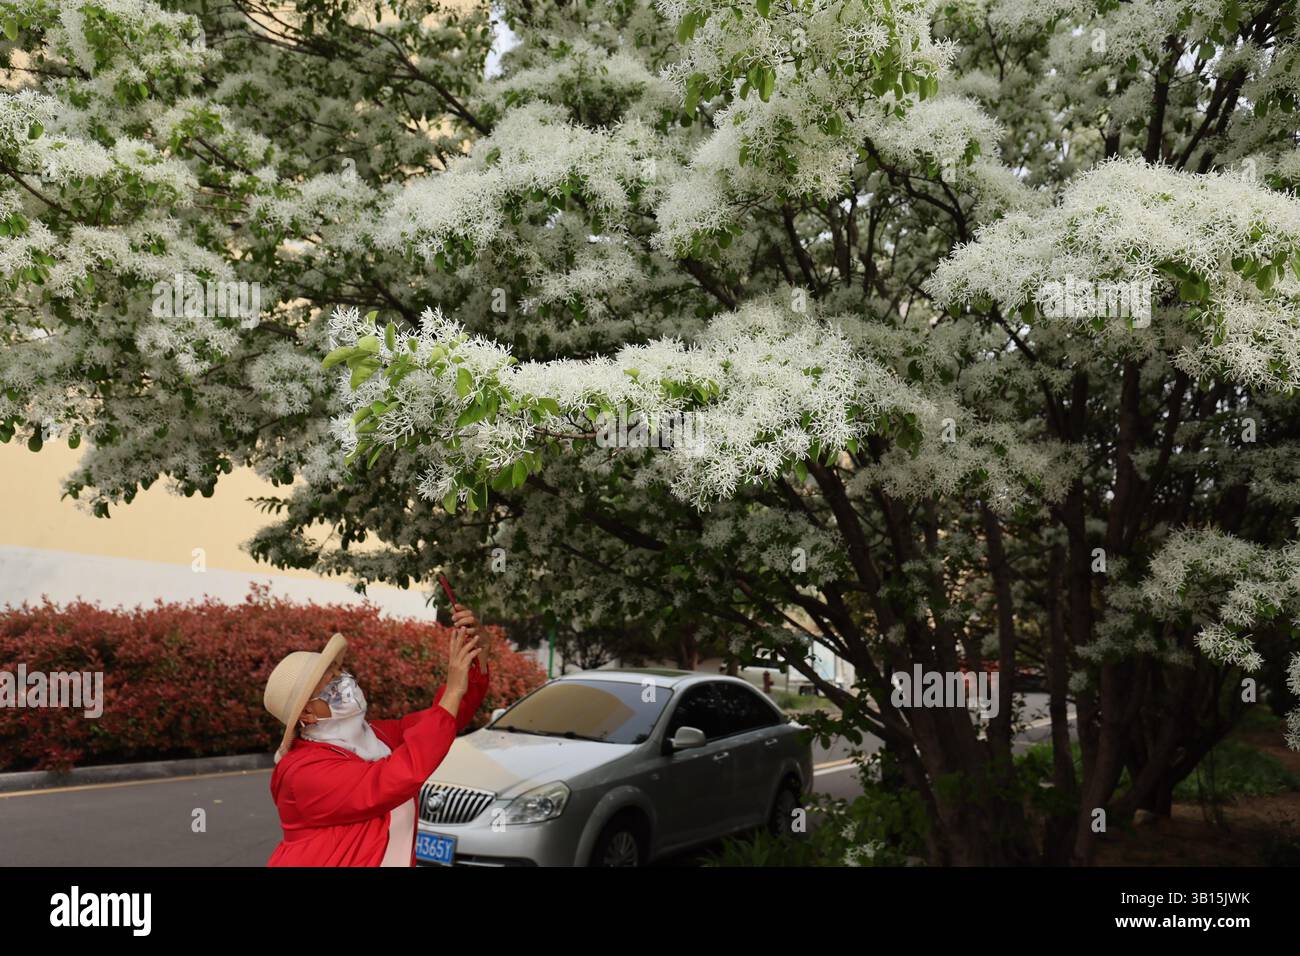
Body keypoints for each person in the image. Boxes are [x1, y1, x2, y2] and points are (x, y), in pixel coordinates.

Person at [262, 603, 490, 866]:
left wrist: (477, 655)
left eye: (339, 672)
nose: (344, 681)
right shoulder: (301, 773)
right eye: (330, 683)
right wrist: (452, 690)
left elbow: (443, 719)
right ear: (307, 715)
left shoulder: (375, 736)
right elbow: (395, 777)